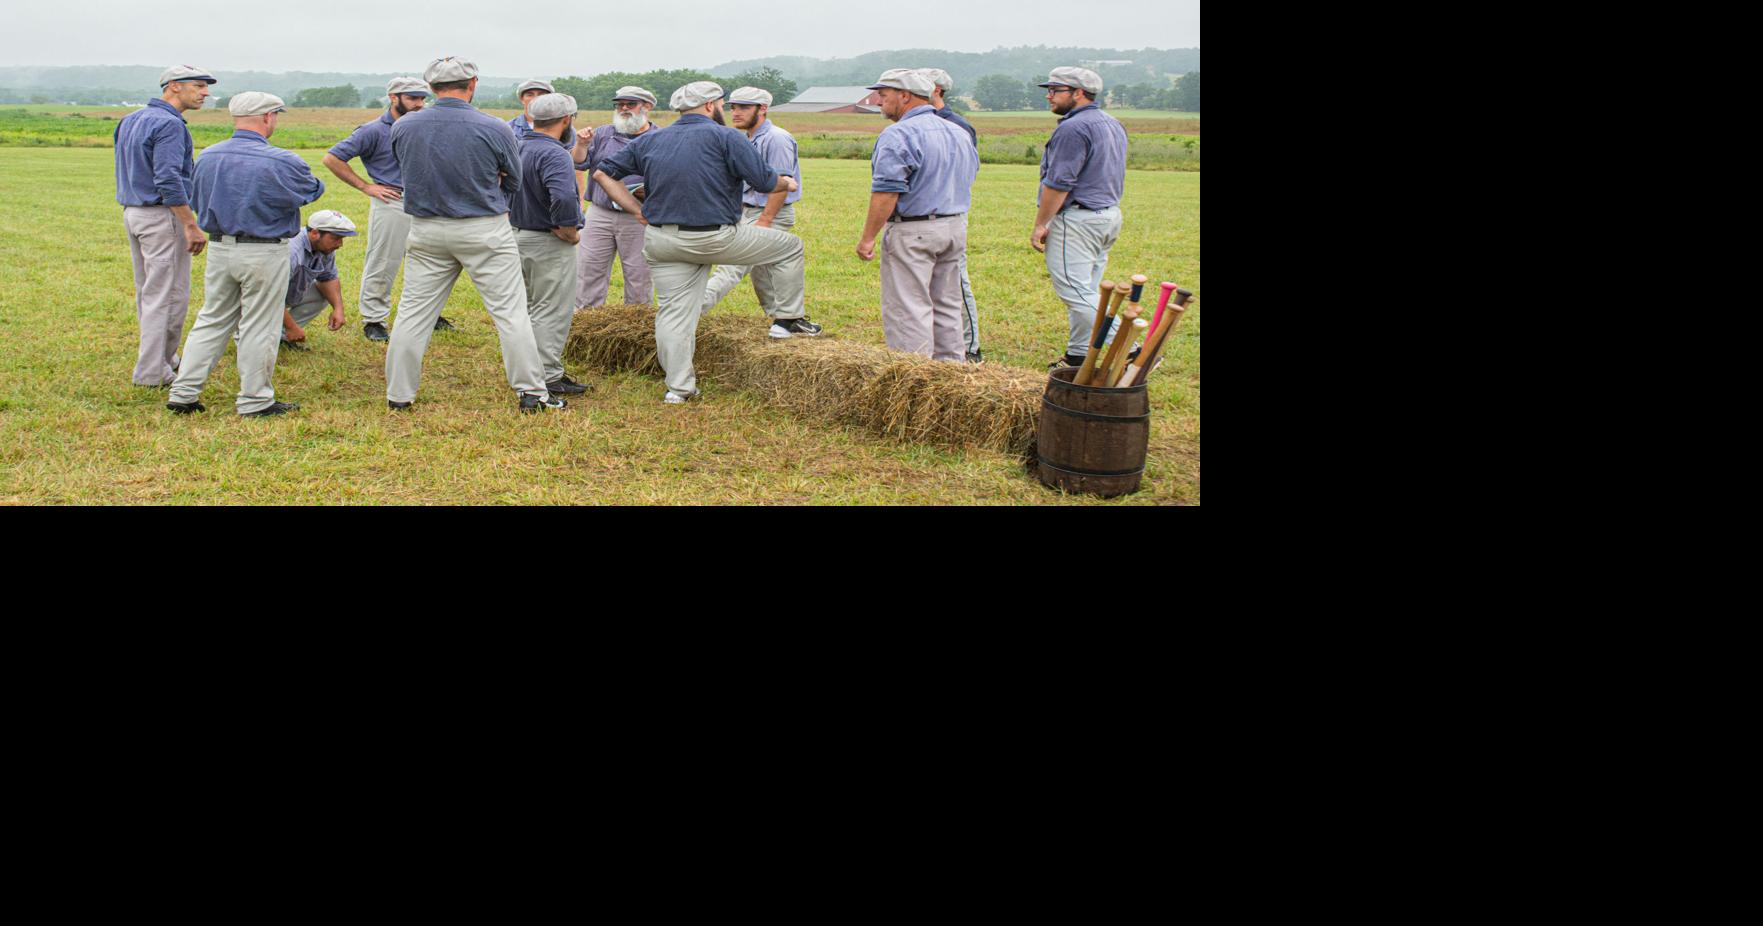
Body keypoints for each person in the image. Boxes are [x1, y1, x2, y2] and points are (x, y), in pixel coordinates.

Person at [591, 80, 802, 404]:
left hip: (662, 240)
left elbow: (601, 174)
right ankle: (786, 320)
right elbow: (764, 181)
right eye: (721, 104)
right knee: (790, 247)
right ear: (710, 105)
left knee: (673, 314)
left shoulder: (652, 138)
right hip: (715, 236)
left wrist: (635, 209)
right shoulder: (727, 137)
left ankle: (679, 389)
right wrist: (786, 182)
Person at [385, 56, 561, 413]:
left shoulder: (404, 126)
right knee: (511, 313)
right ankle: (532, 392)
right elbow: (514, 179)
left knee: (412, 314)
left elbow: (408, 169)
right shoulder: (494, 126)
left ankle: (399, 395)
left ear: (431, 87)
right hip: (483, 227)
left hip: (426, 227)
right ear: (473, 84)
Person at [165, 92, 324, 417]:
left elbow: (195, 196)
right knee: (260, 325)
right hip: (264, 250)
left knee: (211, 320)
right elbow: (312, 190)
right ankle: (255, 400)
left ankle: (183, 393)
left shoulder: (208, 156)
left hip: (220, 247)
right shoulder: (283, 160)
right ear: (267, 117)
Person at [855, 68, 979, 363]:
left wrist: (868, 237)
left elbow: (887, 192)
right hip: (954, 224)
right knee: (947, 304)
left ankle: (913, 374)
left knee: (908, 307)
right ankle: (950, 370)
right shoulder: (959, 131)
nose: (878, 101)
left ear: (904, 96)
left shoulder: (898, 134)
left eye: (883, 95)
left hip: (913, 229)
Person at [323, 77, 448, 341]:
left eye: (422, 98)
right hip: (393, 201)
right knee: (383, 262)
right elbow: (332, 158)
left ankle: (428, 314)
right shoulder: (372, 131)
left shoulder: (425, 127)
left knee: (430, 261)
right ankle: (374, 320)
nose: (419, 104)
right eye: (412, 98)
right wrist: (366, 186)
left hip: (428, 202)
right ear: (393, 97)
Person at [114, 64, 215, 387]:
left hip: (134, 212)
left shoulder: (130, 119)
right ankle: (152, 371)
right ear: (173, 86)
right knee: (169, 295)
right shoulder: (170, 124)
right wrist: (189, 223)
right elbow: (168, 177)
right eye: (198, 85)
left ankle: (164, 358)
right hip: (162, 215)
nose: (205, 93)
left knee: (150, 292)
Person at [697, 87, 822, 339]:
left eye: (744, 107)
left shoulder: (776, 138)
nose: (736, 112)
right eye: (733, 107)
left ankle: (689, 311)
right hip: (747, 212)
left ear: (762, 109)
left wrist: (765, 221)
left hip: (769, 212)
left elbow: (782, 184)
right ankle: (784, 320)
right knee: (762, 270)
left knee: (731, 268)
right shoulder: (747, 138)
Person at [1030, 67, 1128, 371]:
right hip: (1107, 216)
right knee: (1086, 290)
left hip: (1078, 219)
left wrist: (1041, 223)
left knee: (1075, 291)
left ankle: (1132, 347)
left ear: (1079, 93)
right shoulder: (1112, 123)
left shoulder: (1072, 128)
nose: (1048, 96)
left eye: (1055, 90)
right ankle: (1077, 356)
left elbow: (1059, 183)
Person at [512, 92, 590, 396]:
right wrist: (568, 230)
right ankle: (547, 375)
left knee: (528, 308)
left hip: (517, 234)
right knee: (552, 310)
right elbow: (564, 197)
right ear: (566, 119)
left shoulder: (518, 146)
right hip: (548, 239)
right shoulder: (555, 153)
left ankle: (526, 369)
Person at [918, 67, 983, 364]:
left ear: (937, 90)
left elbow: (967, 171)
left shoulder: (956, 125)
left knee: (955, 281)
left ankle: (970, 346)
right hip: (921, 217)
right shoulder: (915, 123)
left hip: (947, 212)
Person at [575, 86, 656, 309]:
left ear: (647, 106)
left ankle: (638, 322)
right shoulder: (603, 134)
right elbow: (578, 162)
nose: (624, 108)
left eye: (631, 104)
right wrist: (581, 144)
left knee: (639, 274)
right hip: (600, 212)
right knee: (588, 270)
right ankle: (586, 320)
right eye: (620, 104)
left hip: (639, 216)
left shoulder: (659, 137)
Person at [279, 210, 358, 350]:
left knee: (323, 293)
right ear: (315, 233)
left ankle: (281, 336)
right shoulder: (291, 252)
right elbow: (269, 296)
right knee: (258, 341)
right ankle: (260, 332)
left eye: (342, 239)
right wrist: (292, 327)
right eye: (336, 238)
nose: (340, 244)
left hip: (279, 296)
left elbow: (328, 278)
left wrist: (338, 309)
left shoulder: (323, 248)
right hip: (259, 300)